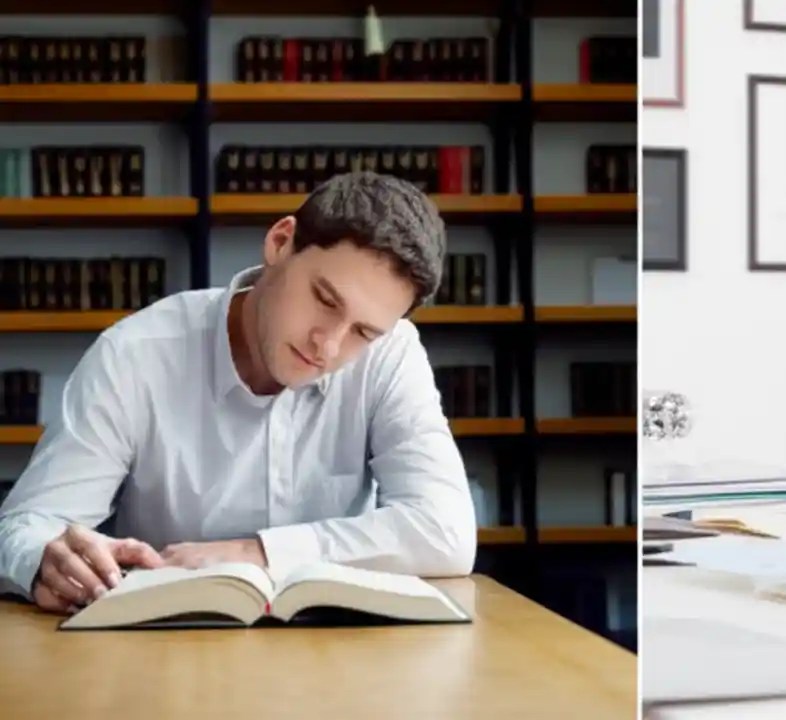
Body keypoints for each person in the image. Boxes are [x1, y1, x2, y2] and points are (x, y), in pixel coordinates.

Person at [0, 172, 477, 613]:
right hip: (165, 659)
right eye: (325, 300)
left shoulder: (391, 354)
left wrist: (257, 553)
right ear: (280, 242)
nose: (328, 345)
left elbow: (447, 530)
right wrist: (46, 557)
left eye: (364, 332)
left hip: (335, 660)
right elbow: (26, 525)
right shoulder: (135, 355)